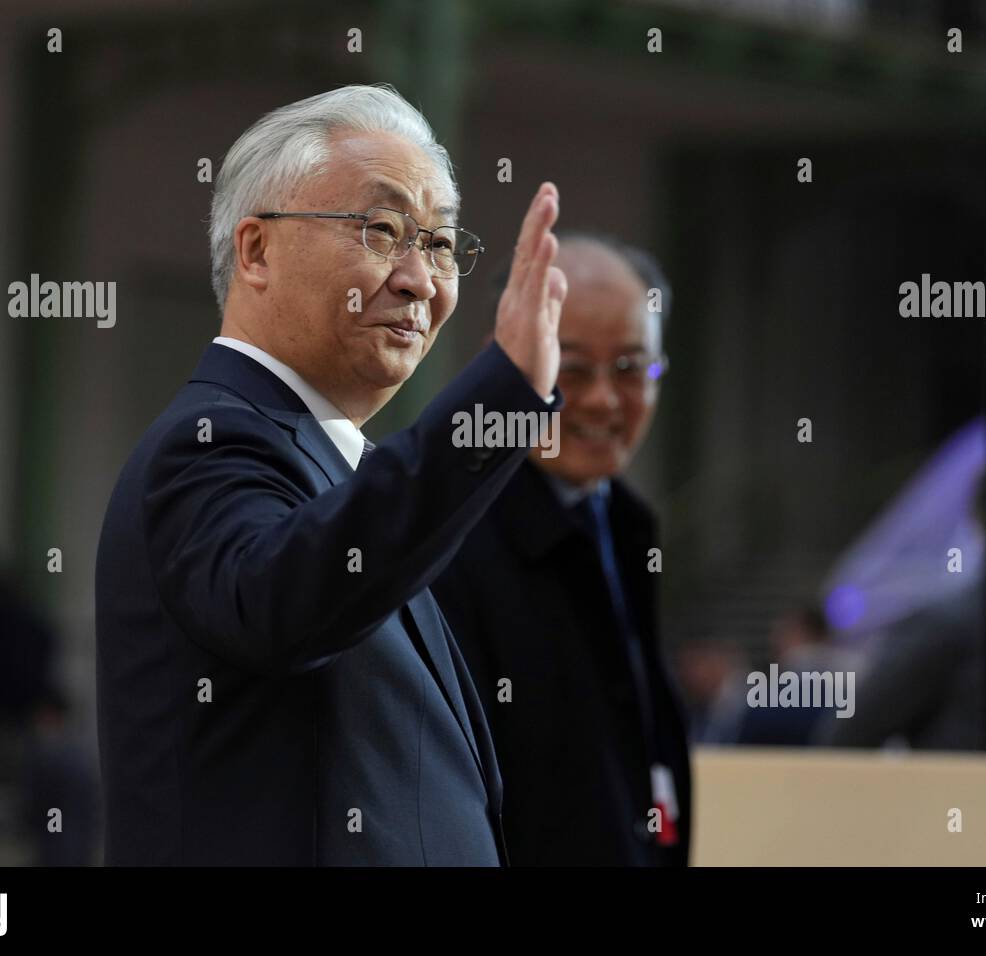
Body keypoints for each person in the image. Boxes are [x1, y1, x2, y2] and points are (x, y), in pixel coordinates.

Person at [95, 84, 568, 865]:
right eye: (382, 230)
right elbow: (293, 597)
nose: (421, 279)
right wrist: (496, 402)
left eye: (441, 243)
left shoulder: (342, 466)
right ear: (256, 252)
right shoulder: (211, 442)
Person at [433, 235, 692, 865]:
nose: (604, 399)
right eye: (571, 369)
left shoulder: (624, 520)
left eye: (632, 368)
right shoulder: (447, 534)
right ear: (507, 363)